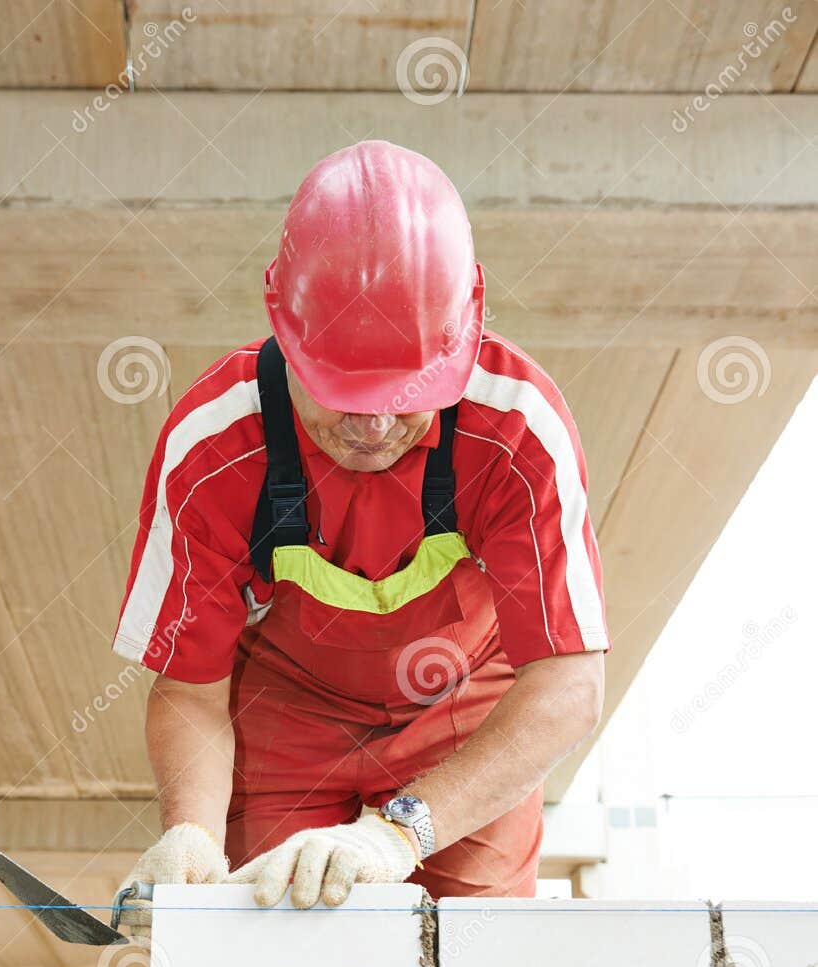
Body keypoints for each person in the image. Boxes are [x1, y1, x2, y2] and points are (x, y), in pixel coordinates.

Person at [112, 140, 607, 920]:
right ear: (283, 327)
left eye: (408, 392)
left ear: (465, 334)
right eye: (342, 393)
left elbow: (569, 687)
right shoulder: (211, 449)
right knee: (275, 947)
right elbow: (191, 689)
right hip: (289, 726)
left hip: (466, 715)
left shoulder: (517, 432)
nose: (374, 426)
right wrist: (192, 834)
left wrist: (396, 836)